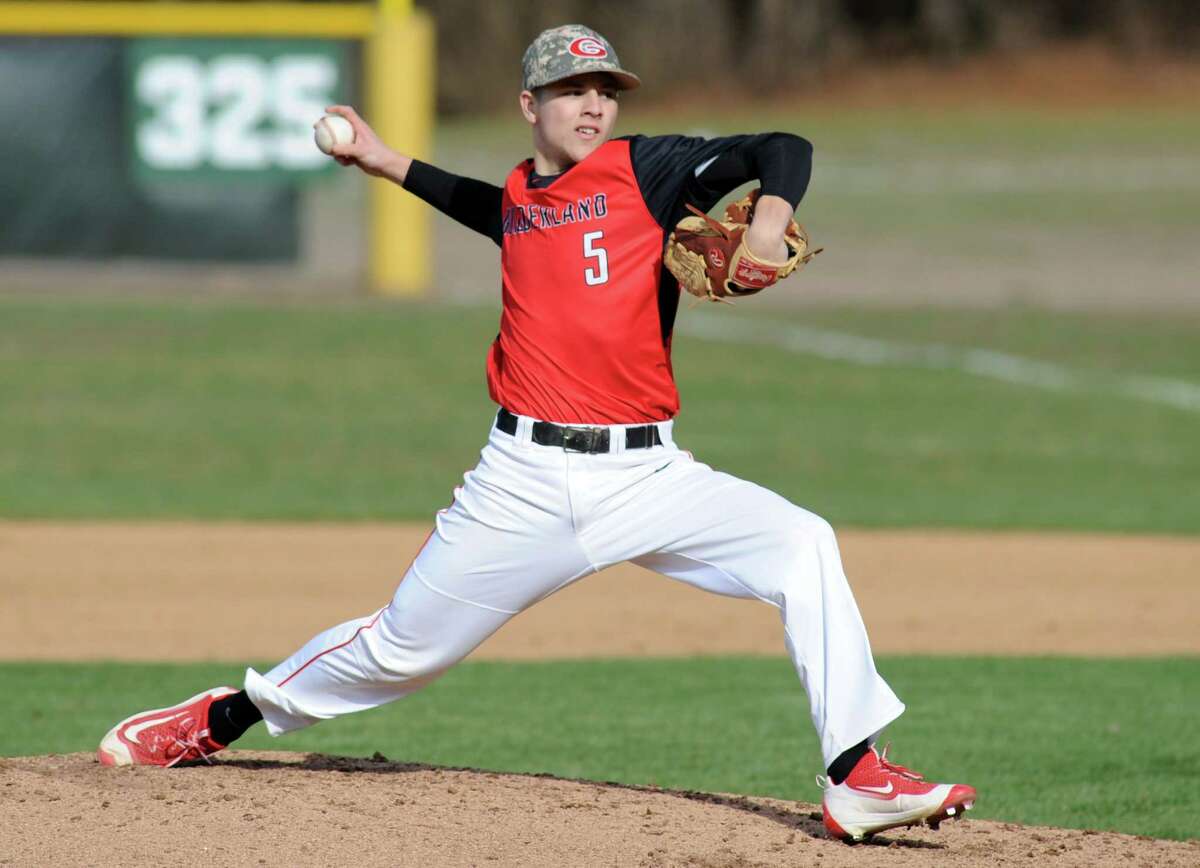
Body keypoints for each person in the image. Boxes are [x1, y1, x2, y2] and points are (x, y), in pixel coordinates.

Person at [97, 24, 976, 843]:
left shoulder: (649, 169)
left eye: (605, 89)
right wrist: (386, 162)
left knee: (802, 545)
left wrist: (773, 217)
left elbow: (783, 148)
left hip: (650, 477)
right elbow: (495, 212)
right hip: (519, 481)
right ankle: (219, 718)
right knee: (400, 652)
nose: (593, 105)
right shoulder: (524, 193)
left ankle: (855, 771)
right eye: (571, 89)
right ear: (531, 106)